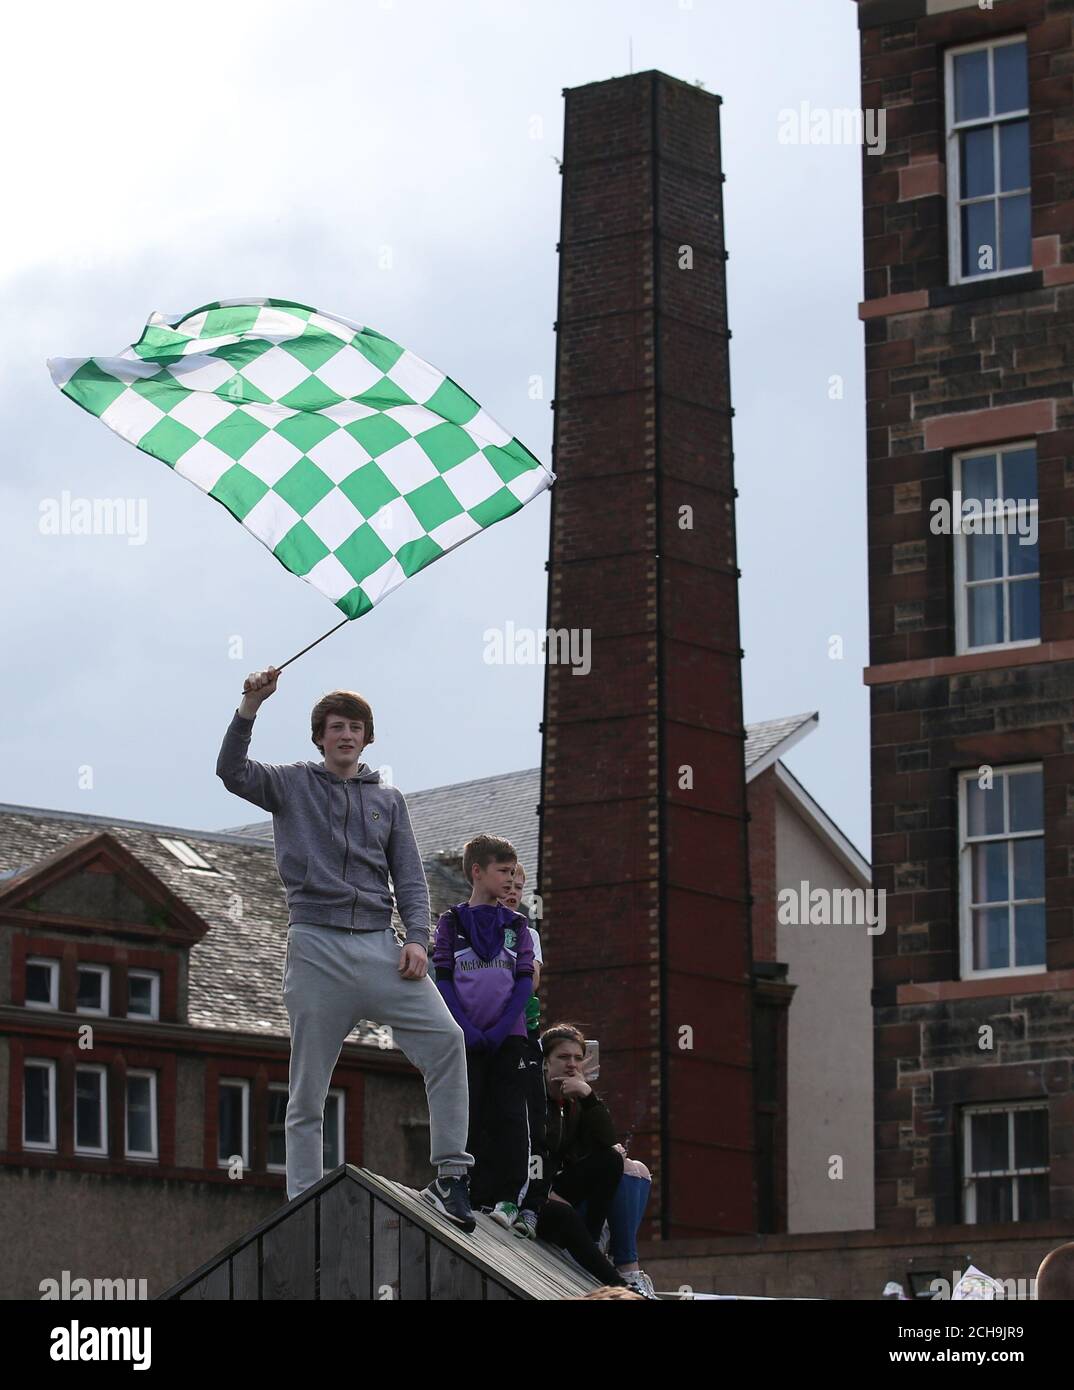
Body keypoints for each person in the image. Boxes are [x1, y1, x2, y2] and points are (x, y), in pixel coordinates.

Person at [215, 665, 476, 1231]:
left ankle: (452, 1175)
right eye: (336, 726)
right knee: (309, 1084)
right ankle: (304, 1202)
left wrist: (417, 940)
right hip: (317, 947)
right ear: (320, 736)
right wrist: (249, 706)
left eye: (355, 727)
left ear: (367, 737)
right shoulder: (291, 783)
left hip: (382, 948)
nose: (346, 735)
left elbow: (409, 876)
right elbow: (231, 772)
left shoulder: (388, 798)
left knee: (448, 1041)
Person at [433, 835, 534, 1233]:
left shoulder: (518, 924)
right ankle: (467, 1189)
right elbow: (442, 980)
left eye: (514, 873)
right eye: (503, 872)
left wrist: (501, 1028)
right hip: (467, 1037)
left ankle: (508, 1195)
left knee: (509, 1114)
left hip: (509, 1037)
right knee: (469, 1112)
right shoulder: (451, 922)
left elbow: (524, 984)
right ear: (477, 871)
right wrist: (467, 1028)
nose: (511, 881)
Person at [536, 1025, 658, 1298]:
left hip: (561, 1188)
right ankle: (624, 1286)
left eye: (578, 1058)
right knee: (568, 1211)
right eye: (563, 1057)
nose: (572, 1064)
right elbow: (528, 1151)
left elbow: (606, 1143)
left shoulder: (573, 1102)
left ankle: (603, 1249)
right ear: (545, 1063)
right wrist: (544, 1189)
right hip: (532, 1193)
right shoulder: (532, 1098)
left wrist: (587, 1096)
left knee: (621, 1163)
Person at [495, 862, 546, 1238]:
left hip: (520, 1032)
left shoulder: (526, 932)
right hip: (482, 1032)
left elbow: (531, 978)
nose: (513, 892)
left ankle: (522, 1200)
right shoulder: (468, 927)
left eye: (519, 887)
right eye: (507, 884)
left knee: (527, 1117)